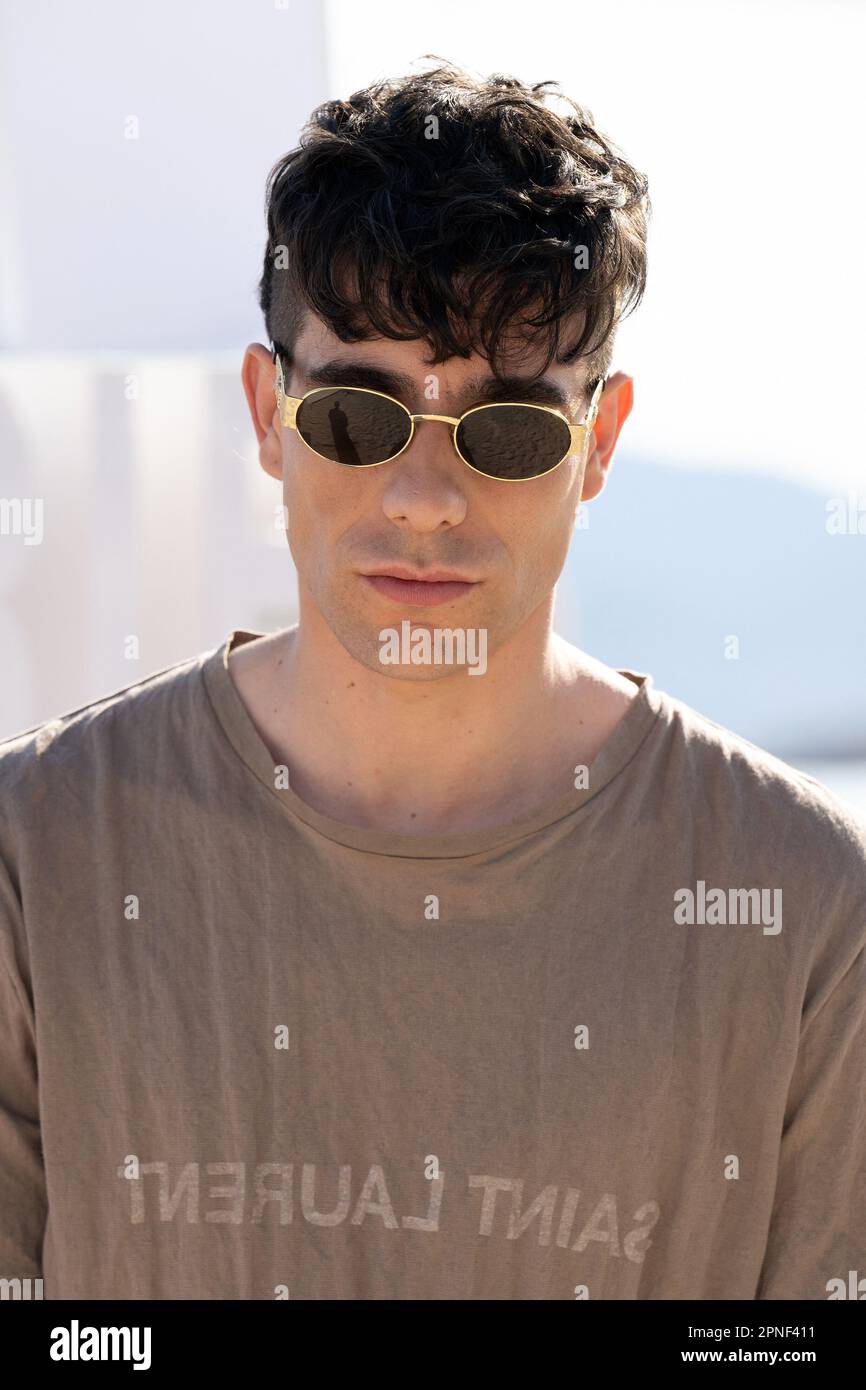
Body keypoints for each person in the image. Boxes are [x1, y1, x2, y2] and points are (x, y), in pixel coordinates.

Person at [1, 59, 864, 1302]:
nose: (423, 498)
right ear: (267, 413)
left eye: (505, 427)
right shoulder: (39, 857)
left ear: (599, 443)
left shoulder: (795, 900)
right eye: (356, 413)